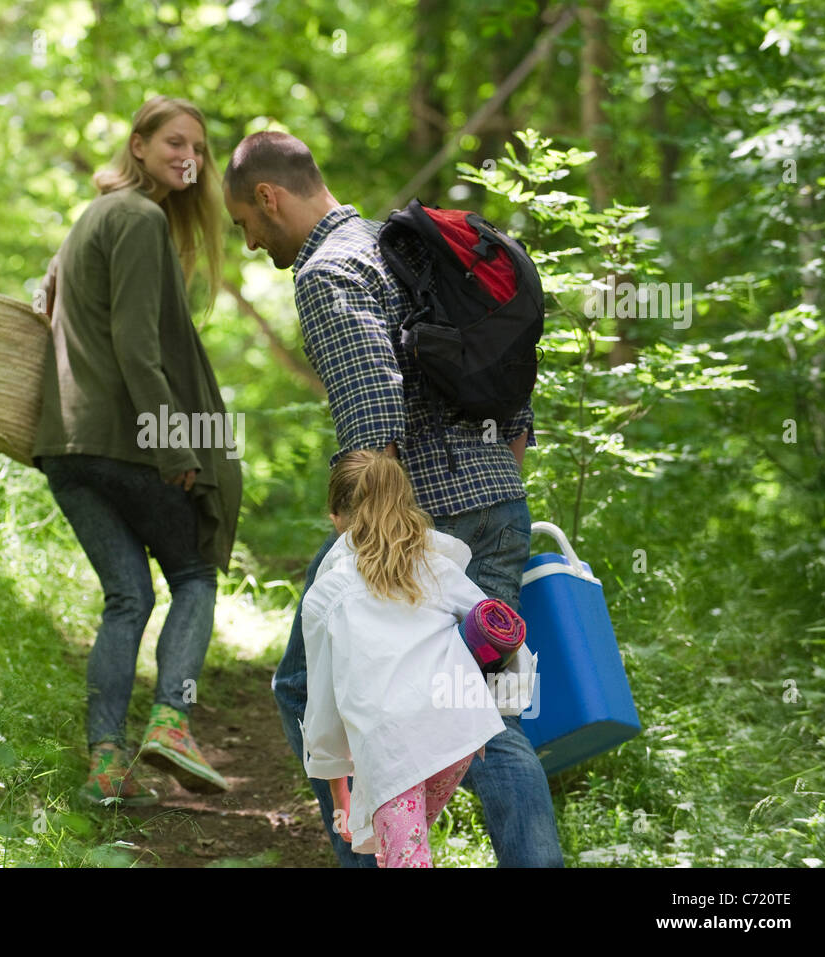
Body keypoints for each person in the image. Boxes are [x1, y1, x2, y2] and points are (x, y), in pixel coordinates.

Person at [222, 130, 563, 866]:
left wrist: (363, 526)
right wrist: (500, 486)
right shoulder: (402, 250)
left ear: (267, 196)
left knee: (307, 683)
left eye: (244, 226)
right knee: (483, 706)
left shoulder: (328, 270)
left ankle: (366, 852)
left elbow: (373, 412)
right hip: (498, 499)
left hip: (415, 515)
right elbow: (514, 388)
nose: (249, 244)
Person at [33, 96, 242, 806]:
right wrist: (173, 442)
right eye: (176, 141)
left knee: (127, 597)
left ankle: (105, 767)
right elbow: (136, 346)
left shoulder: (85, 220)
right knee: (194, 574)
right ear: (139, 145)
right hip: (125, 440)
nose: (191, 155)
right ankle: (173, 721)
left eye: (202, 147)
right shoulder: (142, 218)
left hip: (64, 446)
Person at [303, 450, 505, 868]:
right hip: (457, 730)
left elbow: (323, 702)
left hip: (392, 741)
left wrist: (339, 789)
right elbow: (499, 628)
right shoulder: (436, 567)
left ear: (336, 517)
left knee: (405, 855)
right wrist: (506, 700)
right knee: (404, 848)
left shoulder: (328, 594)